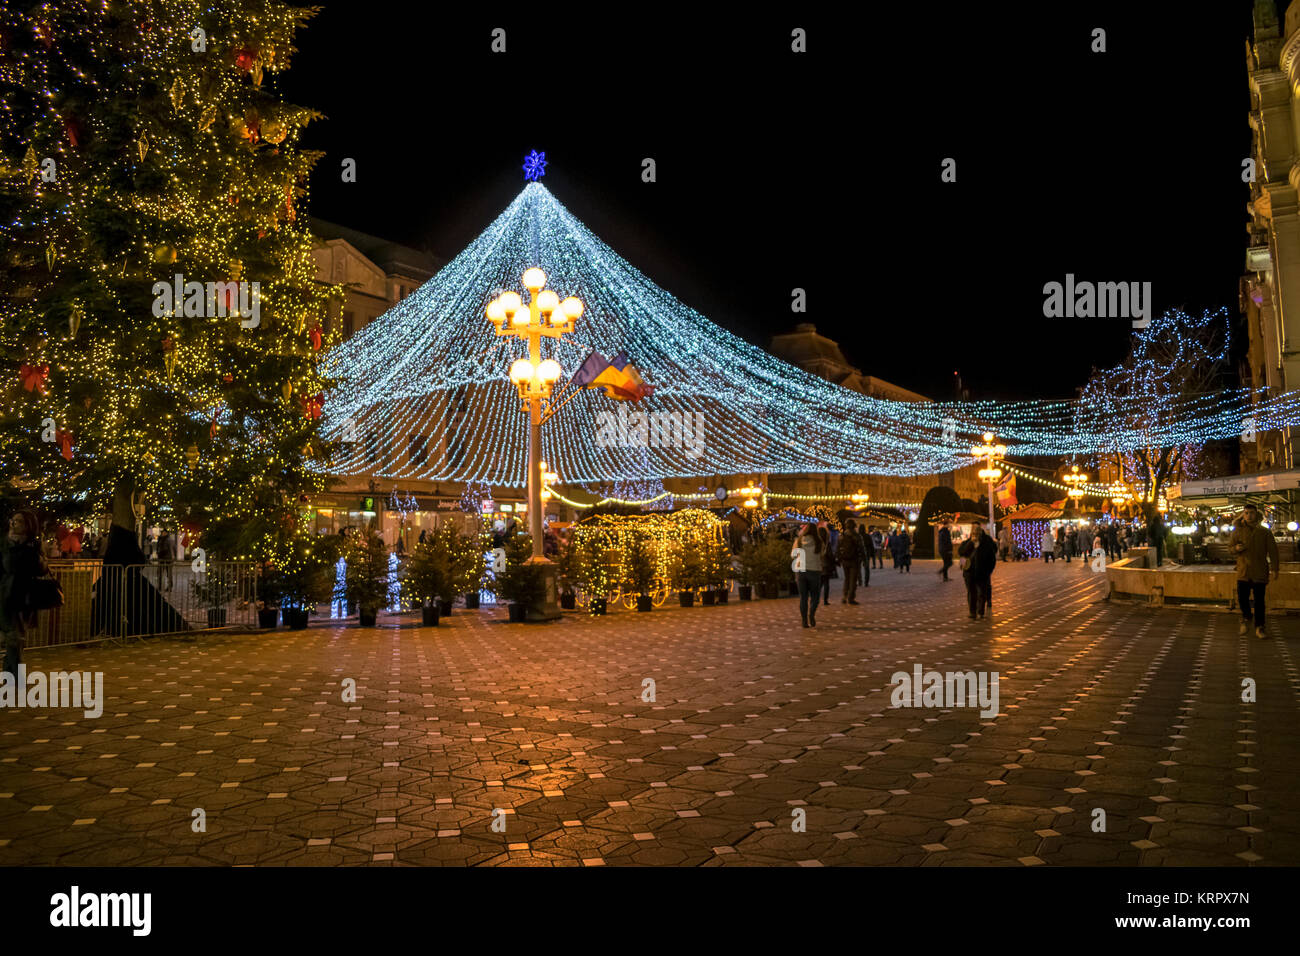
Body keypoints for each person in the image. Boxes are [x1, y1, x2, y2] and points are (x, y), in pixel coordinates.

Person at [1, 511, 45, 677]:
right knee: (14, 637)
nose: (14, 524)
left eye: (19, 521)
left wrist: (36, 552)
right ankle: (16, 677)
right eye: (13, 520)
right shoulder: (4, 543)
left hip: (24, 596)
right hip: (5, 595)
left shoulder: (33, 545)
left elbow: (41, 569)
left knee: (16, 638)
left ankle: (9, 676)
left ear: (28, 525)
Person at [1229, 504, 1279, 639]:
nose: (1249, 515)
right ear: (1243, 515)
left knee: (1259, 601)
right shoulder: (1237, 531)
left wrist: (1275, 569)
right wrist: (1236, 548)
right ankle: (1246, 617)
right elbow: (1230, 548)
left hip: (1259, 570)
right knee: (1242, 598)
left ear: (1256, 515)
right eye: (1246, 513)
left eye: (1251, 513)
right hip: (1243, 571)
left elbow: (1273, 551)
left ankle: (1260, 626)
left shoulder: (1264, 532)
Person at [957, 521, 998, 620]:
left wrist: (988, 571)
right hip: (969, 572)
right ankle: (972, 612)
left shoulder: (987, 542)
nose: (974, 534)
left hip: (982, 572)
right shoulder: (968, 542)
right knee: (971, 592)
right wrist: (971, 543)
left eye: (976, 532)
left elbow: (992, 557)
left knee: (982, 592)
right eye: (973, 532)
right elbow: (961, 552)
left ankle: (980, 611)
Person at [792, 522, 823, 628]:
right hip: (814, 570)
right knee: (815, 596)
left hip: (801, 571)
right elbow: (822, 554)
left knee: (803, 597)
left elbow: (793, 555)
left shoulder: (799, 540)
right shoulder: (819, 542)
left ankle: (804, 620)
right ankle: (812, 614)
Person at [837, 519, 863, 604]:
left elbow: (838, 548)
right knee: (853, 580)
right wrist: (864, 559)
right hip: (854, 560)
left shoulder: (842, 536)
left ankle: (844, 596)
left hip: (845, 560)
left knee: (847, 579)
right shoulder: (856, 536)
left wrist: (839, 559)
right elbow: (861, 548)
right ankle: (851, 598)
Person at [818, 525, 836, 606]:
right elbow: (830, 555)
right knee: (826, 583)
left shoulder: (816, 542)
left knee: (820, 583)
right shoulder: (826, 543)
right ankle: (825, 600)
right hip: (826, 565)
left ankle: (816, 598)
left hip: (818, 565)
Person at [157, 527, 174, 592]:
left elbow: (172, 549)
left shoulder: (169, 540)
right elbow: (158, 548)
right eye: (162, 532)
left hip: (168, 559)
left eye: (164, 532)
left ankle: (169, 587)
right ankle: (160, 586)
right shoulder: (160, 539)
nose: (163, 533)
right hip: (161, 558)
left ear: (167, 533)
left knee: (169, 574)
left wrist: (172, 557)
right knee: (160, 573)